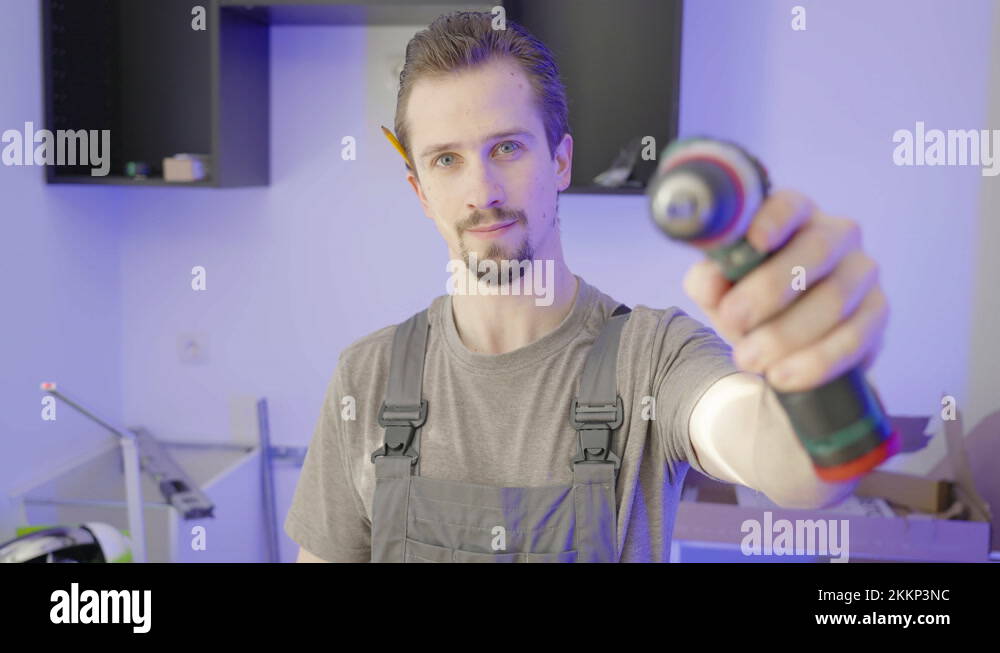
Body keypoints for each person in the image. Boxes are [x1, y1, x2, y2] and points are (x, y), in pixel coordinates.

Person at [284, 11, 890, 563]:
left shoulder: (654, 358)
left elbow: (793, 469)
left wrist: (821, 379)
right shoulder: (365, 379)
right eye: (446, 160)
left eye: (507, 147)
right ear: (420, 191)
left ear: (561, 162)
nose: (483, 190)